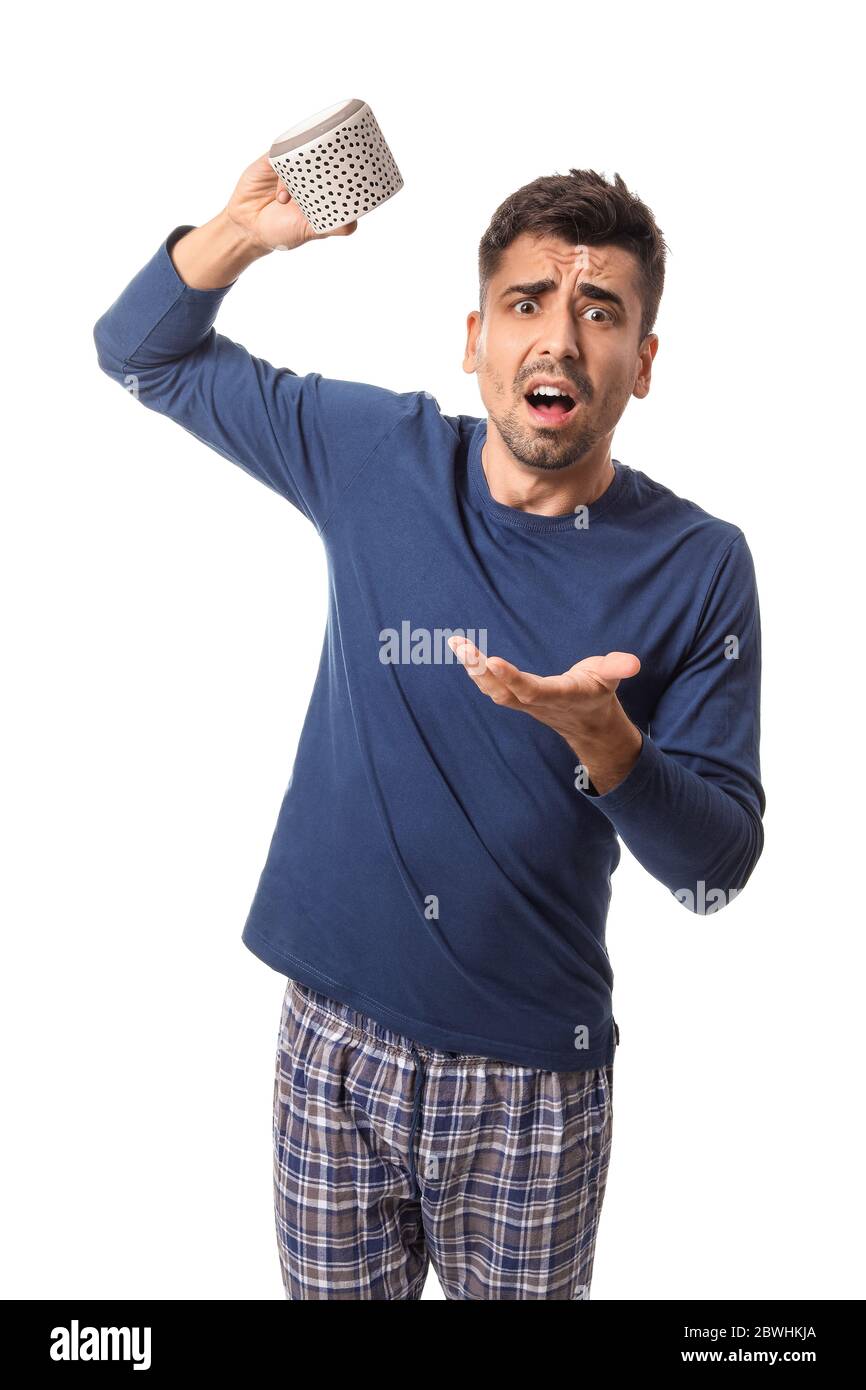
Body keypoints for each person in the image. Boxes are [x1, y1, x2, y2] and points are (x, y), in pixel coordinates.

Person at [93, 155, 765, 1300]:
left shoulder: (700, 565)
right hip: (331, 1049)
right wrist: (241, 234)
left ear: (640, 363)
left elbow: (718, 868)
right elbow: (139, 353)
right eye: (526, 304)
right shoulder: (375, 457)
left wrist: (609, 746)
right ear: (474, 341)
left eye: (598, 311)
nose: (558, 336)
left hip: (532, 1088)